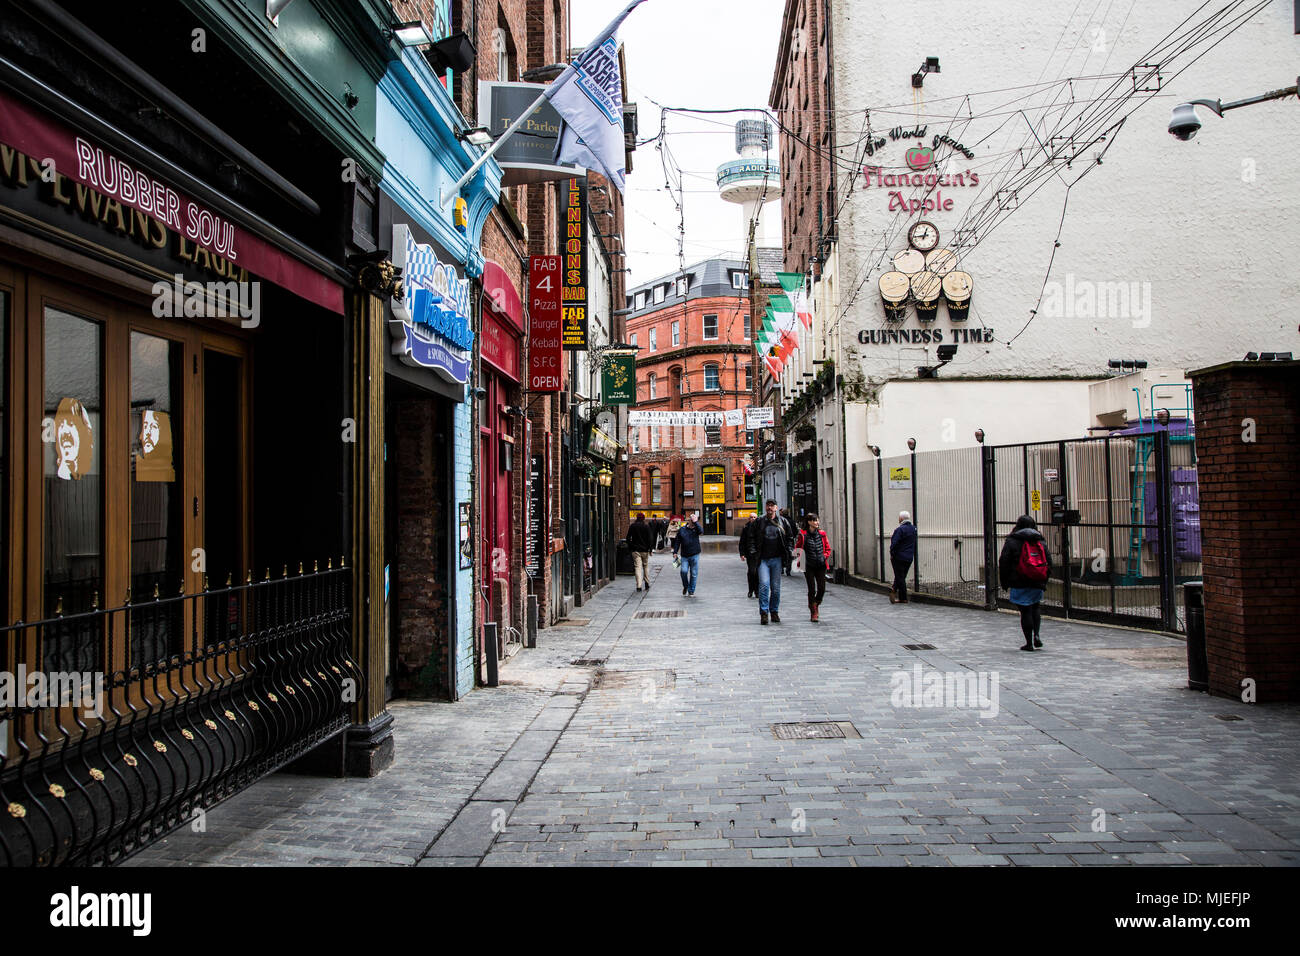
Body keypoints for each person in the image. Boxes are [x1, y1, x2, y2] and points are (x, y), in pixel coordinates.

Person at [999, 514, 1052, 651]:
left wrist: (1004, 581)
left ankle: (1028, 642)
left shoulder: (1012, 540)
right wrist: (1044, 579)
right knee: (1035, 607)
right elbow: (1048, 562)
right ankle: (1037, 635)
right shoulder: (1040, 540)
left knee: (1025, 610)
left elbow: (1004, 562)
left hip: (1019, 581)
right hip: (1037, 579)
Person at [750, 499, 792, 624]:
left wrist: (789, 551)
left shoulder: (783, 522)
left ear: (776, 508)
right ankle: (764, 612)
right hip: (763, 559)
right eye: (768, 506)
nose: (769, 508)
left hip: (777, 559)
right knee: (764, 585)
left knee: (776, 588)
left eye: (772, 506)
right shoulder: (759, 521)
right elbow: (751, 537)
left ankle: (774, 611)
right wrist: (752, 551)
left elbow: (790, 537)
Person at [795, 513, 832, 622]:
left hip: (820, 565)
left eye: (817, 520)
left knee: (822, 588)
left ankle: (815, 603)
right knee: (811, 589)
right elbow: (798, 549)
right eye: (815, 520)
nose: (817, 523)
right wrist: (801, 562)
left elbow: (827, 549)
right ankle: (813, 612)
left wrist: (824, 556)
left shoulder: (822, 534)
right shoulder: (803, 534)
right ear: (809, 522)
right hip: (808, 565)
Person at [889, 510, 917, 604]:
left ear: (901, 518)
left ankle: (903, 597)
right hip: (909, 557)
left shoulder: (900, 530)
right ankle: (894, 590)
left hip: (899, 557)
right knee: (901, 576)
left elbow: (894, 543)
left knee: (899, 576)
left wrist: (892, 554)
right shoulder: (913, 529)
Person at [672, 511, 703, 596]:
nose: (692, 522)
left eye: (693, 521)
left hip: (695, 555)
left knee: (693, 574)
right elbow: (678, 541)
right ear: (688, 521)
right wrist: (675, 552)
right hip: (684, 555)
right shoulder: (682, 529)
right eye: (691, 520)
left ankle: (691, 590)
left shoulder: (696, 529)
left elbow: (701, 531)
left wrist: (696, 522)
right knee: (683, 571)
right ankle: (685, 586)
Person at [625, 513, 656, 592]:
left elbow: (628, 538)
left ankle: (639, 585)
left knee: (637, 567)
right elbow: (650, 539)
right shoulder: (646, 526)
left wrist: (631, 546)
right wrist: (650, 549)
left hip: (635, 550)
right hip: (645, 550)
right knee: (645, 566)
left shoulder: (633, 526)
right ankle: (647, 582)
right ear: (643, 518)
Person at [739, 514, 760, 598]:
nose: (753, 519)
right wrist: (742, 553)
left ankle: (757, 591)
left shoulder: (760, 527)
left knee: (757, 573)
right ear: (749, 518)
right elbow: (742, 541)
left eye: (755, 517)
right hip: (750, 553)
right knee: (752, 572)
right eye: (751, 517)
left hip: (758, 553)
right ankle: (751, 590)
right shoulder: (746, 528)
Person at [779, 509, 795, 576]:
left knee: (782, 555)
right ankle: (788, 570)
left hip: (783, 540)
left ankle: (782, 569)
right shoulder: (792, 521)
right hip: (790, 541)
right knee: (789, 556)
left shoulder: (781, 521)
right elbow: (795, 530)